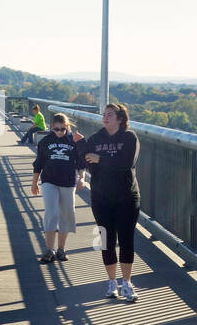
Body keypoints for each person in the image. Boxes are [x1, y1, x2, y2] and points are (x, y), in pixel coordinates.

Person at [81, 102, 141, 301]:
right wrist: (82, 150)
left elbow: (126, 163)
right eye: (104, 114)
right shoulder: (95, 138)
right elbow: (88, 163)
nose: (105, 117)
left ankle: (127, 283)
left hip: (126, 197)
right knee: (106, 240)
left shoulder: (129, 137)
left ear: (120, 119)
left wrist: (100, 159)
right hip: (101, 197)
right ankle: (111, 283)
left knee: (126, 240)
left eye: (110, 114)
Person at [31, 112, 86, 264]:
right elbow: (38, 163)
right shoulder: (46, 141)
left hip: (68, 181)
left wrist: (82, 178)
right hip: (49, 180)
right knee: (51, 212)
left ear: (67, 127)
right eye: (56, 129)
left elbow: (81, 163)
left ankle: (61, 249)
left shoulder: (73, 140)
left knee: (66, 214)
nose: (60, 132)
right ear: (51, 128)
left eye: (63, 129)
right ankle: (49, 249)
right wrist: (34, 183)